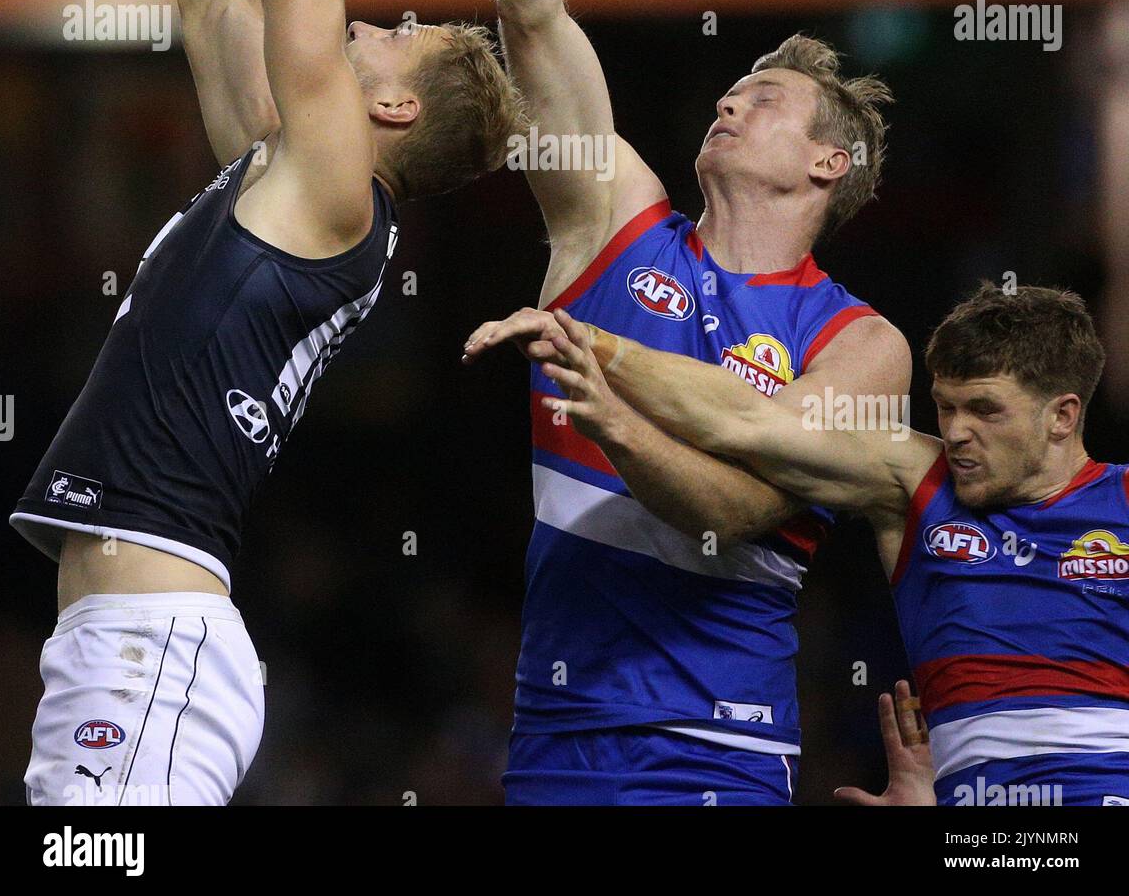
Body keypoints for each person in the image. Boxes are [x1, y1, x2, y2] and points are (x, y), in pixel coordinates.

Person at [11, 0, 524, 806]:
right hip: (130, 645)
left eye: (398, 38)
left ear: (394, 114)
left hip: (153, 648)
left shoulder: (336, 187)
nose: (369, 24)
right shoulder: (287, 177)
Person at [469, 0, 911, 805]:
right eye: (729, 85)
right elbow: (528, 8)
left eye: (762, 98)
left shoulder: (859, 345)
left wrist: (606, 396)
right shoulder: (611, 220)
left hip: (712, 752)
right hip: (551, 738)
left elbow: (736, 514)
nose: (728, 97)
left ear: (828, 164)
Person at [471, 283, 1129, 805]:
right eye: (945, 406)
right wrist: (589, 342)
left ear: (1062, 416)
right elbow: (748, 418)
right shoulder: (912, 481)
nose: (955, 432)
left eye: (984, 410)